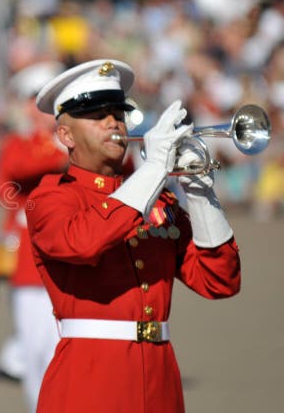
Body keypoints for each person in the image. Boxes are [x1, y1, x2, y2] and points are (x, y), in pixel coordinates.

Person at [26, 58, 241, 412]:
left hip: (160, 379)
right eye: (97, 116)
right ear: (66, 135)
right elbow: (82, 243)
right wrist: (155, 169)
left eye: (118, 113)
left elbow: (219, 281)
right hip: (90, 378)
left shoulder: (158, 200)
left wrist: (201, 194)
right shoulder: (51, 197)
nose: (113, 123)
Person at [0, 61, 67, 412]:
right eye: (33, 103)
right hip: (29, 265)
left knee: (63, 353)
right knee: (37, 354)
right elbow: (16, 172)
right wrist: (62, 144)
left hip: (74, 261)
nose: (34, 112)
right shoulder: (21, 143)